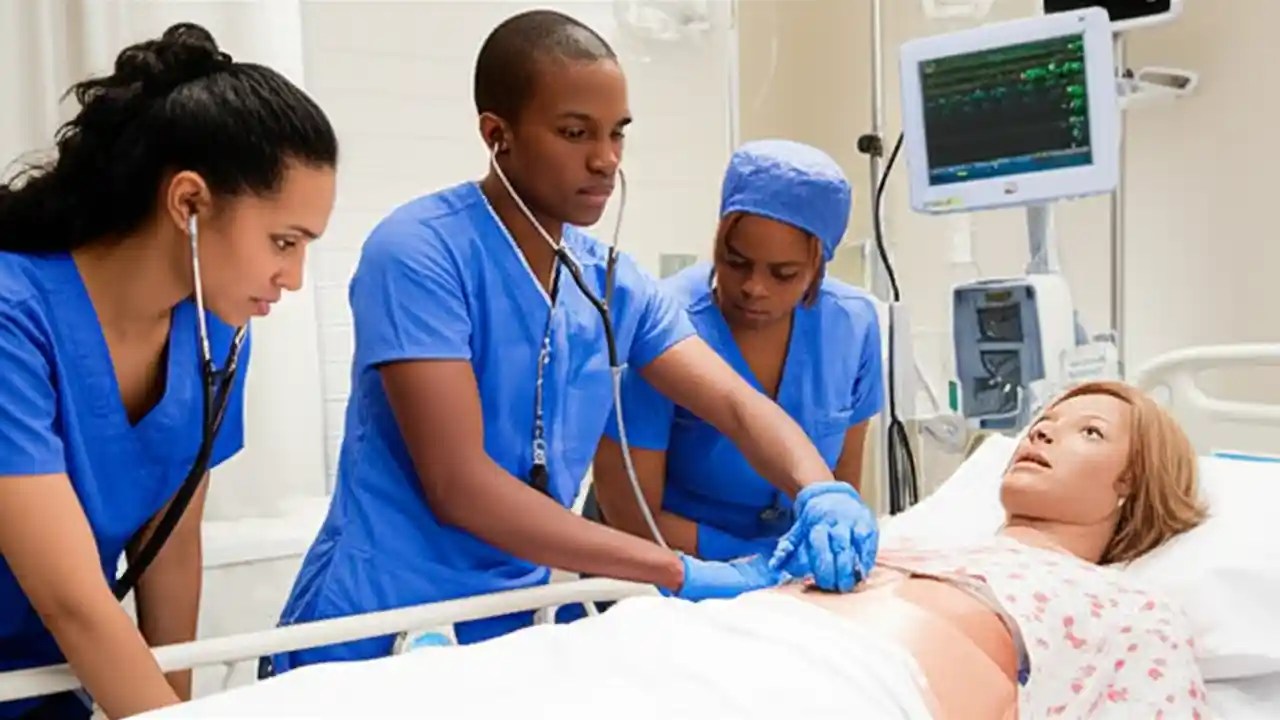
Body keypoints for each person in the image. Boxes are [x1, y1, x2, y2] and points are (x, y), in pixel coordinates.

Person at [268, 9, 877, 674]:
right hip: (378, 624)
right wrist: (679, 570)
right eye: (574, 132)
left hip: (511, 628)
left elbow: (734, 403)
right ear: (497, 134)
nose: (606, 159)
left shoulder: (610, 283)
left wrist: (821, 490)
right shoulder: (418, 254)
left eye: (617, 134)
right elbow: (459, 485)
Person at [132, 381, 1213, 720]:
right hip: (684, 642)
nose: (1038, 430)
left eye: (1086, 431)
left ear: (1133, 488)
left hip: (840, 688)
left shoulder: (1130, 610)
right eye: (1041, 416)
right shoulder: (909, 535)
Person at [0, 23, 337, 720]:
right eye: (284, 242)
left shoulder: (214, 333)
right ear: (188, 203)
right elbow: (70, 598)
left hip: (49, 681)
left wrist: (178, 708)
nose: (295, 278)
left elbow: (171, 546)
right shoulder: (13, 316)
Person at [591, 139, 883, 564]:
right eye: (736, 262)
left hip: (788, 575)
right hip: (665, 566)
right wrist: (742, 557)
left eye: (784, 274)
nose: (754, 288)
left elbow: (840, 489)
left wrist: (827, 549)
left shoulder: (853, 325)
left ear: (819, 265)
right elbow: (629, 511)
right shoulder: (659, 325)